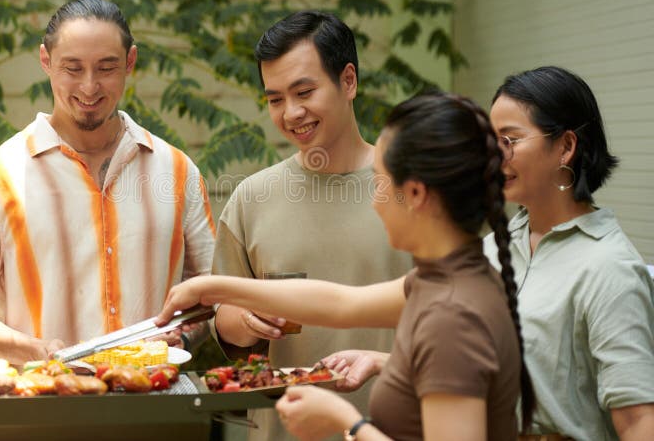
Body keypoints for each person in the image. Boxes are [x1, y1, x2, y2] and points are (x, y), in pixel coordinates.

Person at [158, 92, 535, 441]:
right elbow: (340, 303)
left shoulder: (453, 315)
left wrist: (345, 421)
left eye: (380, 183)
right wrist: (213, 289)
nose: (374, 202)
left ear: (416, 194)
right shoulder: (446, 279)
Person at [0, 0, 215, 365]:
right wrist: (33, 351)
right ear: (46, 61)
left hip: (156, 394)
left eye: (106, 68)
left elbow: (211, 295)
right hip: (42, 397)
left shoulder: (177, 171)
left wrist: (184, 336)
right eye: (73, 68)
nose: (89, 86)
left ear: (130, 62)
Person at [210, 10, 411, 439]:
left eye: (304, 92)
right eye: (275, 99)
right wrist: (244, 320)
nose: (291, 113)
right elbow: (220, 322)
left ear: (348, 81)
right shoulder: (252, 198)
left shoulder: (415, 189)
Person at [485, 66, 654, 440]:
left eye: (509, 140)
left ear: (565, 146)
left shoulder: (609, 268)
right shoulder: (494, 246)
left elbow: (638, 421)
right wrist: (383, 362)